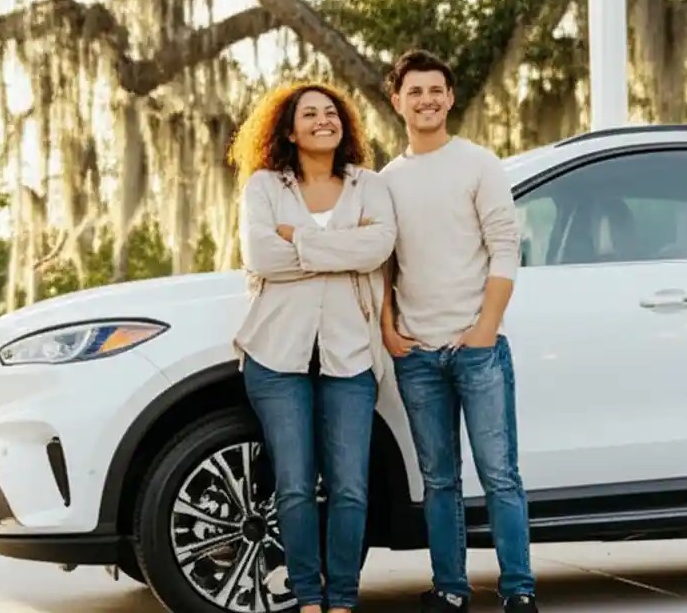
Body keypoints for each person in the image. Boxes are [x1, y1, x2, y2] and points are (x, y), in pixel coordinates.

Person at [378, 49, 538, 613]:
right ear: (396, 101)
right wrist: (388, 327)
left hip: (478, 350)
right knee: (438, 481)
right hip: (416, 354)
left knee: (501, 476)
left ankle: (519, 591)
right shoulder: (386, 181)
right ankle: (451, 589)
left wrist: (485, 329)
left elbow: (504, 245)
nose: (426, 100)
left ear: (450, 98)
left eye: (436, 90)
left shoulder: (478, 164)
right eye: (414, 91)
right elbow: (384, 262)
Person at [230, 81, 396, 613]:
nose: (323, 120)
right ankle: (307, 597)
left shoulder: (369, 184)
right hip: (276, 356)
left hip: (352, 356)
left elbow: (379, 248)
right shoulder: (264, 186)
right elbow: (261, 256)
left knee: (350, 486)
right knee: (295, 486)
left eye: (331, 112)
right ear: (288, 128)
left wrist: (296, 238)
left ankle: (342, 599)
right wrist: (340, 248)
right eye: (309, 113)